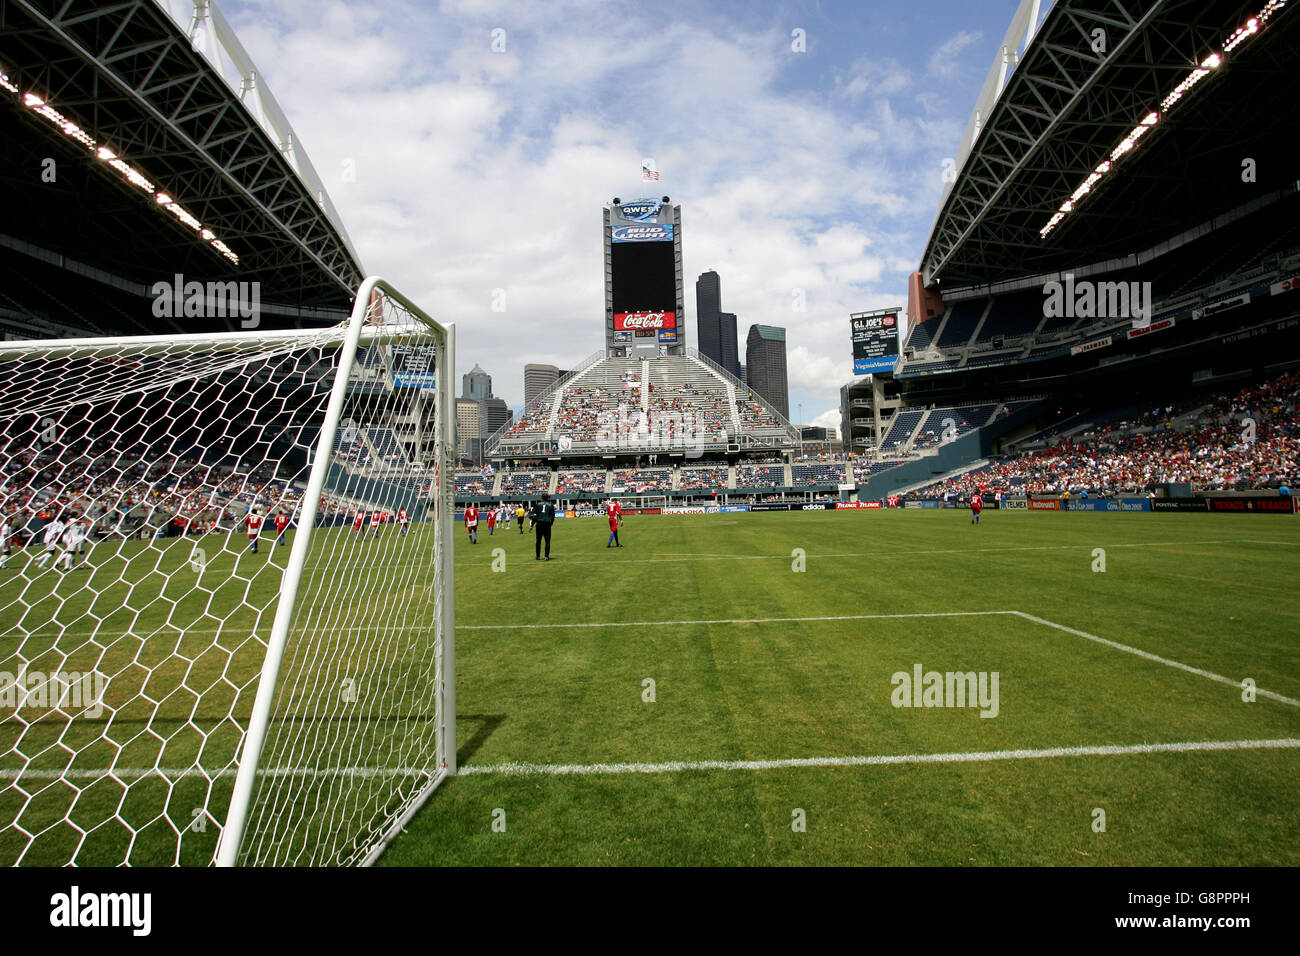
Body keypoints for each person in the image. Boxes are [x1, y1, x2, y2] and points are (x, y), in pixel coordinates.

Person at [532, 492, 555, 560]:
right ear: (548, 498)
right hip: (547, 524)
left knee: (538, 541)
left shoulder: (538, 504)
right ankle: (546, 556)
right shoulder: (551, 505)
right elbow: (552, 517)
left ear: (541, 498)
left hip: (539, 523)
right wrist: (551, 524)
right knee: (547, 541)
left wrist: (532, 524)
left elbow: (535, 515)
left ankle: (538, 556)